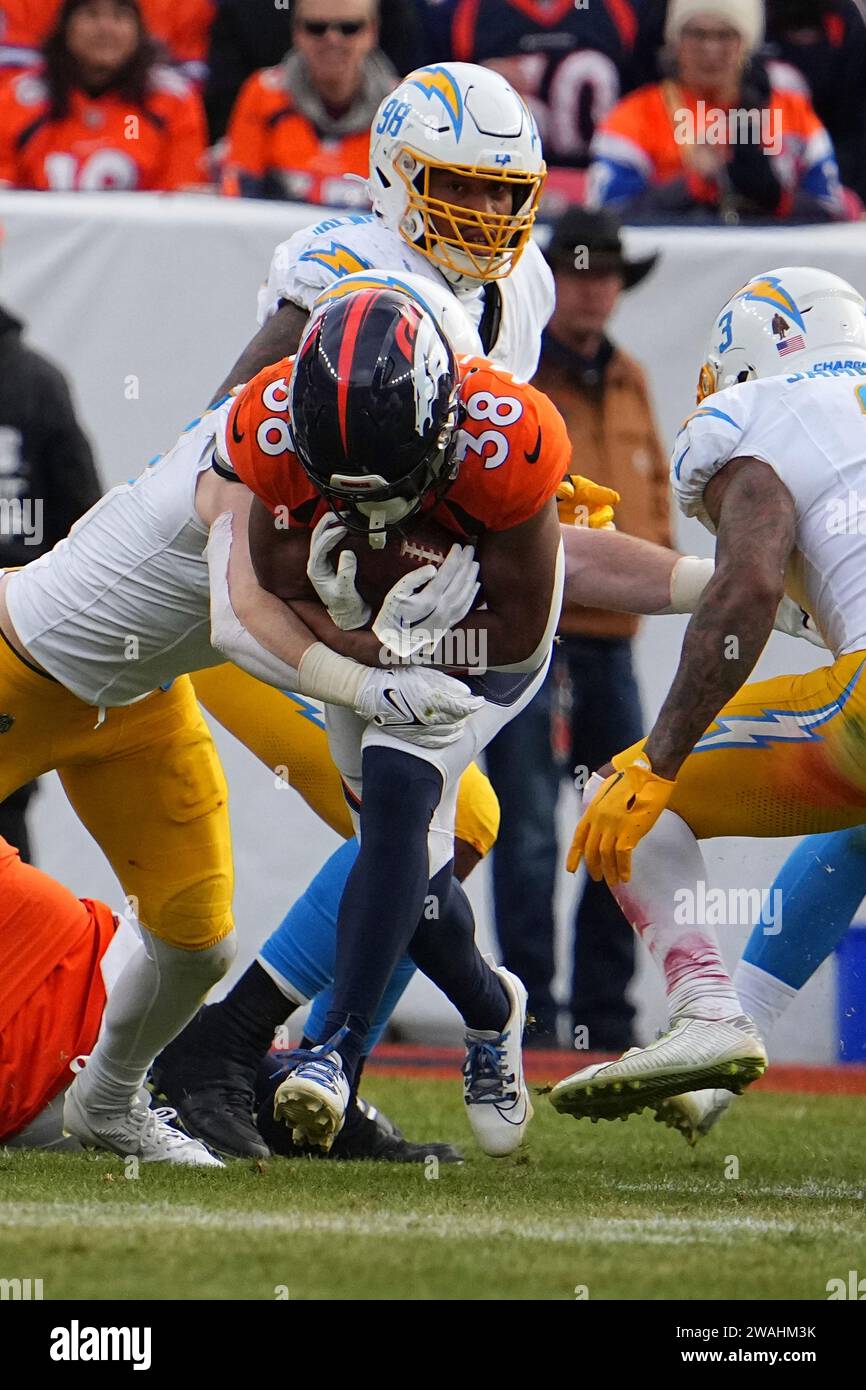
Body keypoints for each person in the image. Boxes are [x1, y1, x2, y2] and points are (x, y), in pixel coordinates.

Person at [551, 265, 866, 1127]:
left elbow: (749, 585)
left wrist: (660, 756)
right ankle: (731, 1047)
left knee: (633, 801)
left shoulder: (761, 414)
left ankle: (708, 1014)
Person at [485, 206, 669, 1050]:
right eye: (580, 273)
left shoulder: (630, 378)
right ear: (554, 282)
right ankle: (532, 1013)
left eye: (605, 274)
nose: (593, 289)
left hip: (610, 643)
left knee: (620, 822)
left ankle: (603, 1013)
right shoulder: (520, 376)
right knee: (524, 825)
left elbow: (657, 500)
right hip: (536, 631)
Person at [0, 292, 101, 861]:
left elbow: (85, 528)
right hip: (19, 641)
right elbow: (88, 526)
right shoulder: (38, 381)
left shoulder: (35, 383)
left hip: (16, 642)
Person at [588, 0, 847, 223]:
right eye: (697, 34)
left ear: (746, 44)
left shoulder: (792, 113)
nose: (710, 49)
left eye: (725, 35)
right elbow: (606, 217)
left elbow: (833, 213)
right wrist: (690, 186)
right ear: (675, 42)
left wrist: (774, 198)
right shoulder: (634, 117)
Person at [0, 0, 208, 193]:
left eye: (119, 16)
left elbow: (181, 197)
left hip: (142, 232)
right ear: (65, 27)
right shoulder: (20, 99)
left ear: (139, 30)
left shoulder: (171, 101)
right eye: (91, 14)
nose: (105, 29)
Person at [221, 0, 397, 206]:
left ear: (372, 33)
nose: (332, 39)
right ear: (296, 32)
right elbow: (238, 194)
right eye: (316, 28)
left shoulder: (399, 107)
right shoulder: (263, 93)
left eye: (349, 28)